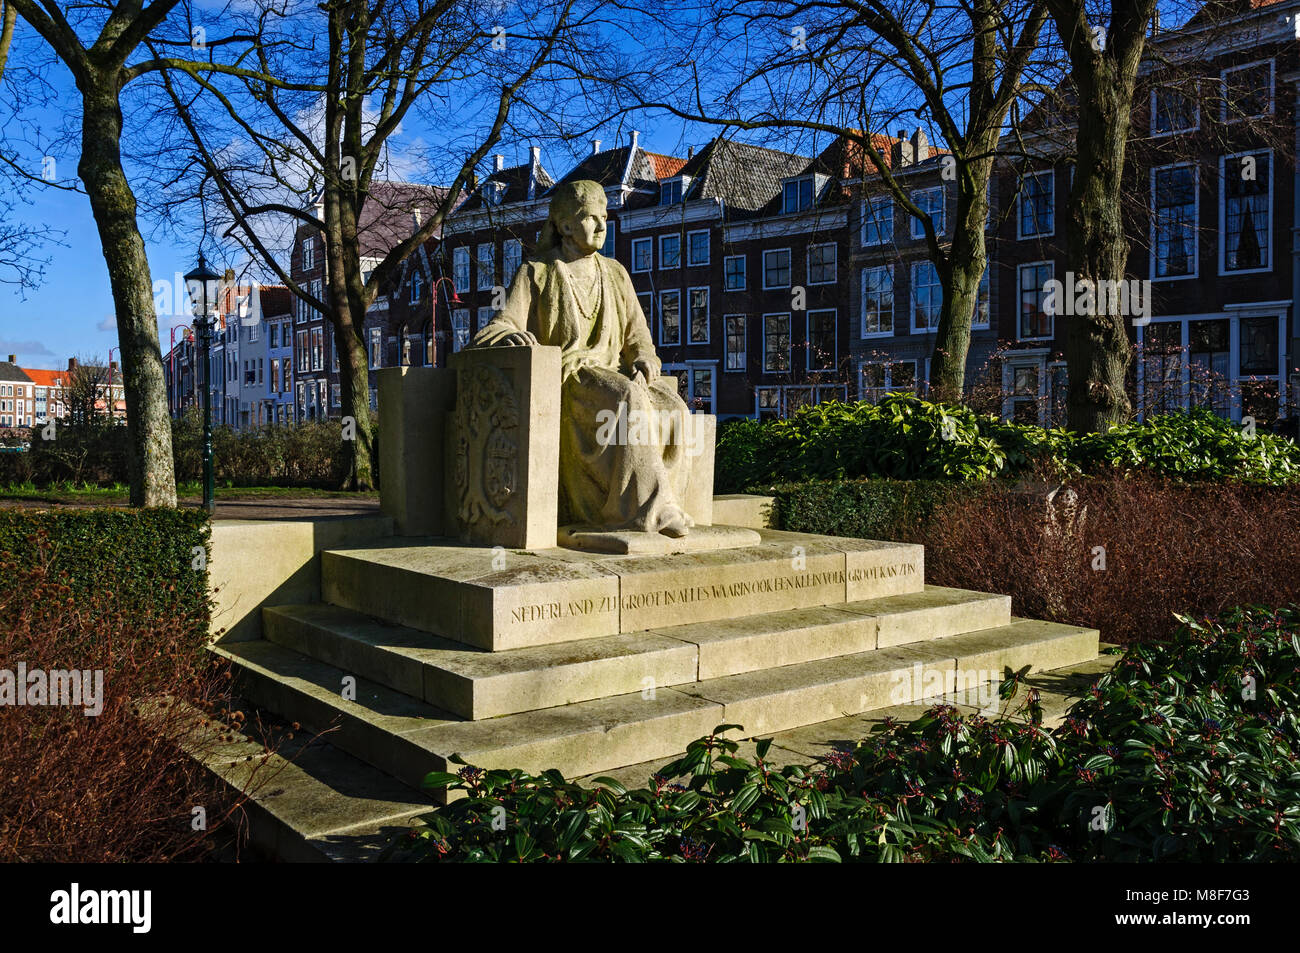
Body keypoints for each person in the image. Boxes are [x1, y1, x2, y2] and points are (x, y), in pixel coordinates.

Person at [469, 180, 694, 537]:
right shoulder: (536, 271)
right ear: (565, 225)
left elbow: (638, 337)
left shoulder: (616, 273)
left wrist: (644, 358)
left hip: (614, 373)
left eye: (604, 217)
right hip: (569, 376)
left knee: (675, 409)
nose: (603, 226)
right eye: (591, 218)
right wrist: (511, 335)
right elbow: (498, 326)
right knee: (626, 398)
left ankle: (663, 501)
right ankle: (652, 510)